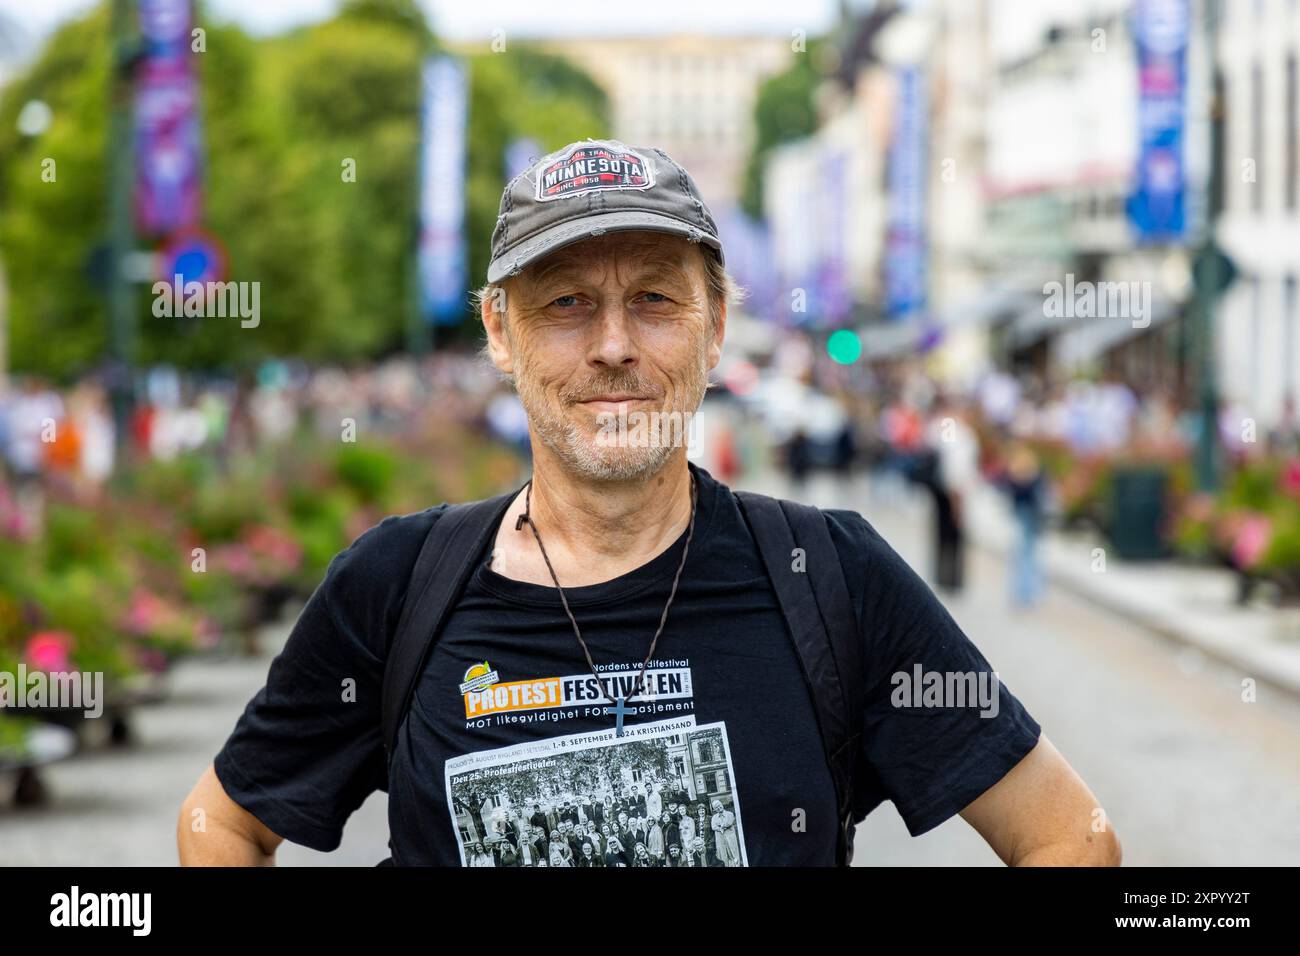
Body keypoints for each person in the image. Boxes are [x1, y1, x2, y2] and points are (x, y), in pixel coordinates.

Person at [181, 138, 1119, 868]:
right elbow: (219, 822)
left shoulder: (830, 575)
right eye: (567, 304)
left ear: (715, 328)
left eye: (657, 300)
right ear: (500, 333)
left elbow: (1072, 836)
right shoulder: (396, 584)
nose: (615, 346)